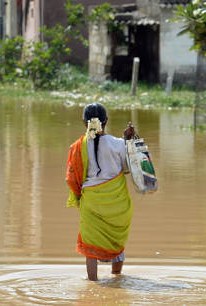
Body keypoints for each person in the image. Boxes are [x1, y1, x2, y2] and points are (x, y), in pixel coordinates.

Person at [65, 102, 135, 281]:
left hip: (91, 204)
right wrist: (127, 142)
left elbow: (72, 178)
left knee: (90, 246)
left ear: (84, 121)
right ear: (106, 120)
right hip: (116, 203)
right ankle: (117, 278)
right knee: (117, 240)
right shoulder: (117, 144)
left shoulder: (77, 147)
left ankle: (93, 285)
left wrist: (79, 198)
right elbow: (128, 169)